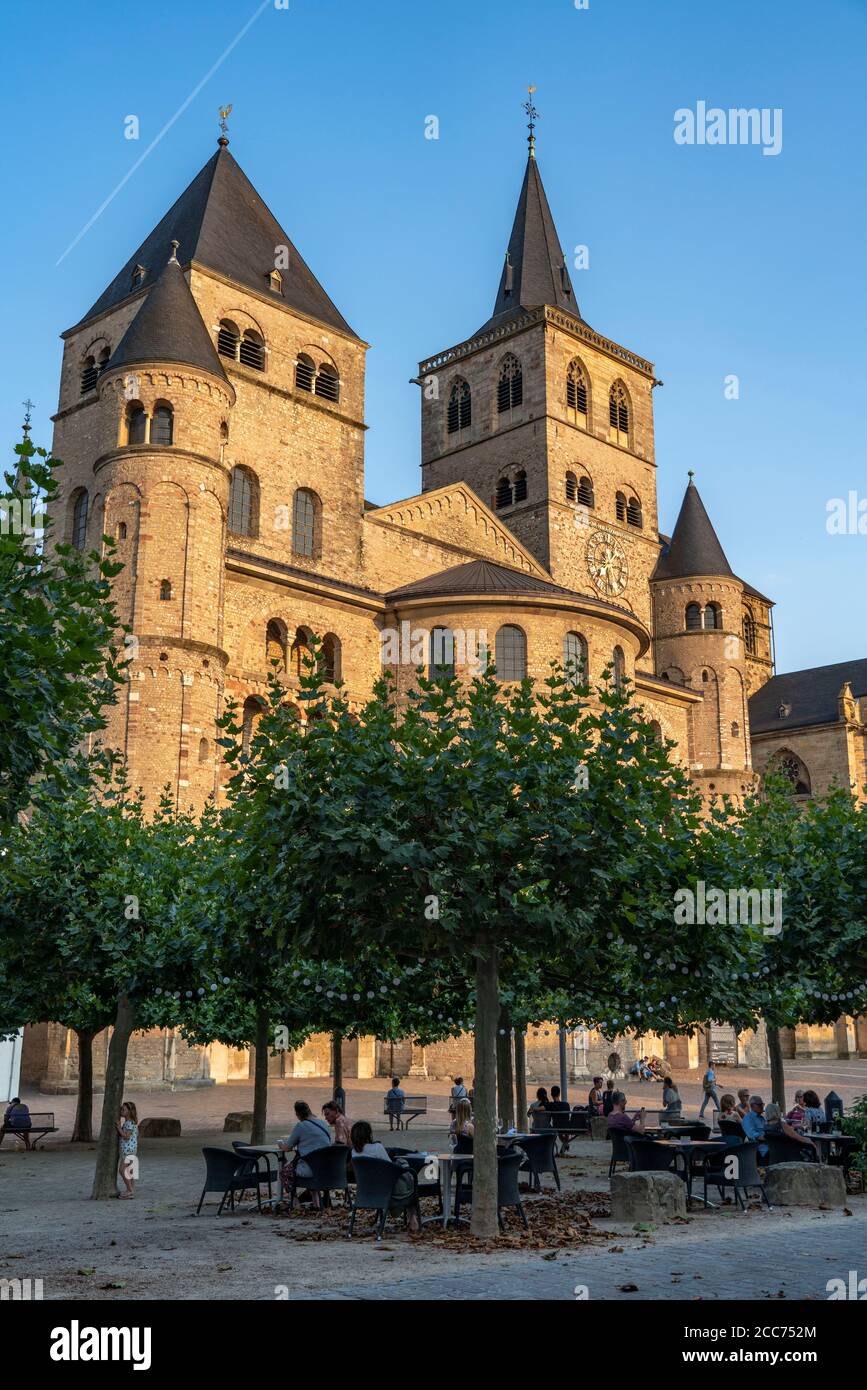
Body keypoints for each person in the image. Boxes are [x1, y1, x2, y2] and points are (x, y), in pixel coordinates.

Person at [350, 1119, 419, 1232]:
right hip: (387, 1192)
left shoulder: (354, 1153)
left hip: (366, 1193)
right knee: (406, 1171)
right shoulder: (377, 1147)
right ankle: (412, 1216)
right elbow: (390, 1168)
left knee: (404, 1171)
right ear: (368, 1134)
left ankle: (410, 1215)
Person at [278, 1100, 332, 1207]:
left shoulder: (301, 1126)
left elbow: (288, 1148)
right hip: (325, 1168)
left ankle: (295, 1202)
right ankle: (316, 1204)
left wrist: (281, 1145)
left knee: (284, 1172)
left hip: (310, 1169)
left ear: (298, 1114)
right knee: (311, 1160)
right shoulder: (323, 1124)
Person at [116, 1101, 139, 1198]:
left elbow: (127, 1136)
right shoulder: (129, 1123)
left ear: (129, 1112)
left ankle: (129, 1190)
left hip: (128, 1150)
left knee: (122, 1170)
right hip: (130, 1150)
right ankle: (131, 1190)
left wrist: (118, 1128)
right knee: (130, 1171)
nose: (121, 1111)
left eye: (123, 1110)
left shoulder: (129, 1123)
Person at [741, 1095, 768, 1160]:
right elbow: (752, 1135)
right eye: (759, 1104)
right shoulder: (748, 1118)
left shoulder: (762, 1118)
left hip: (769, 1145)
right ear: (752, 1106)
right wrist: (771, 1139)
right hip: (760, 1149)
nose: (762, 1106)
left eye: (762, 1104)